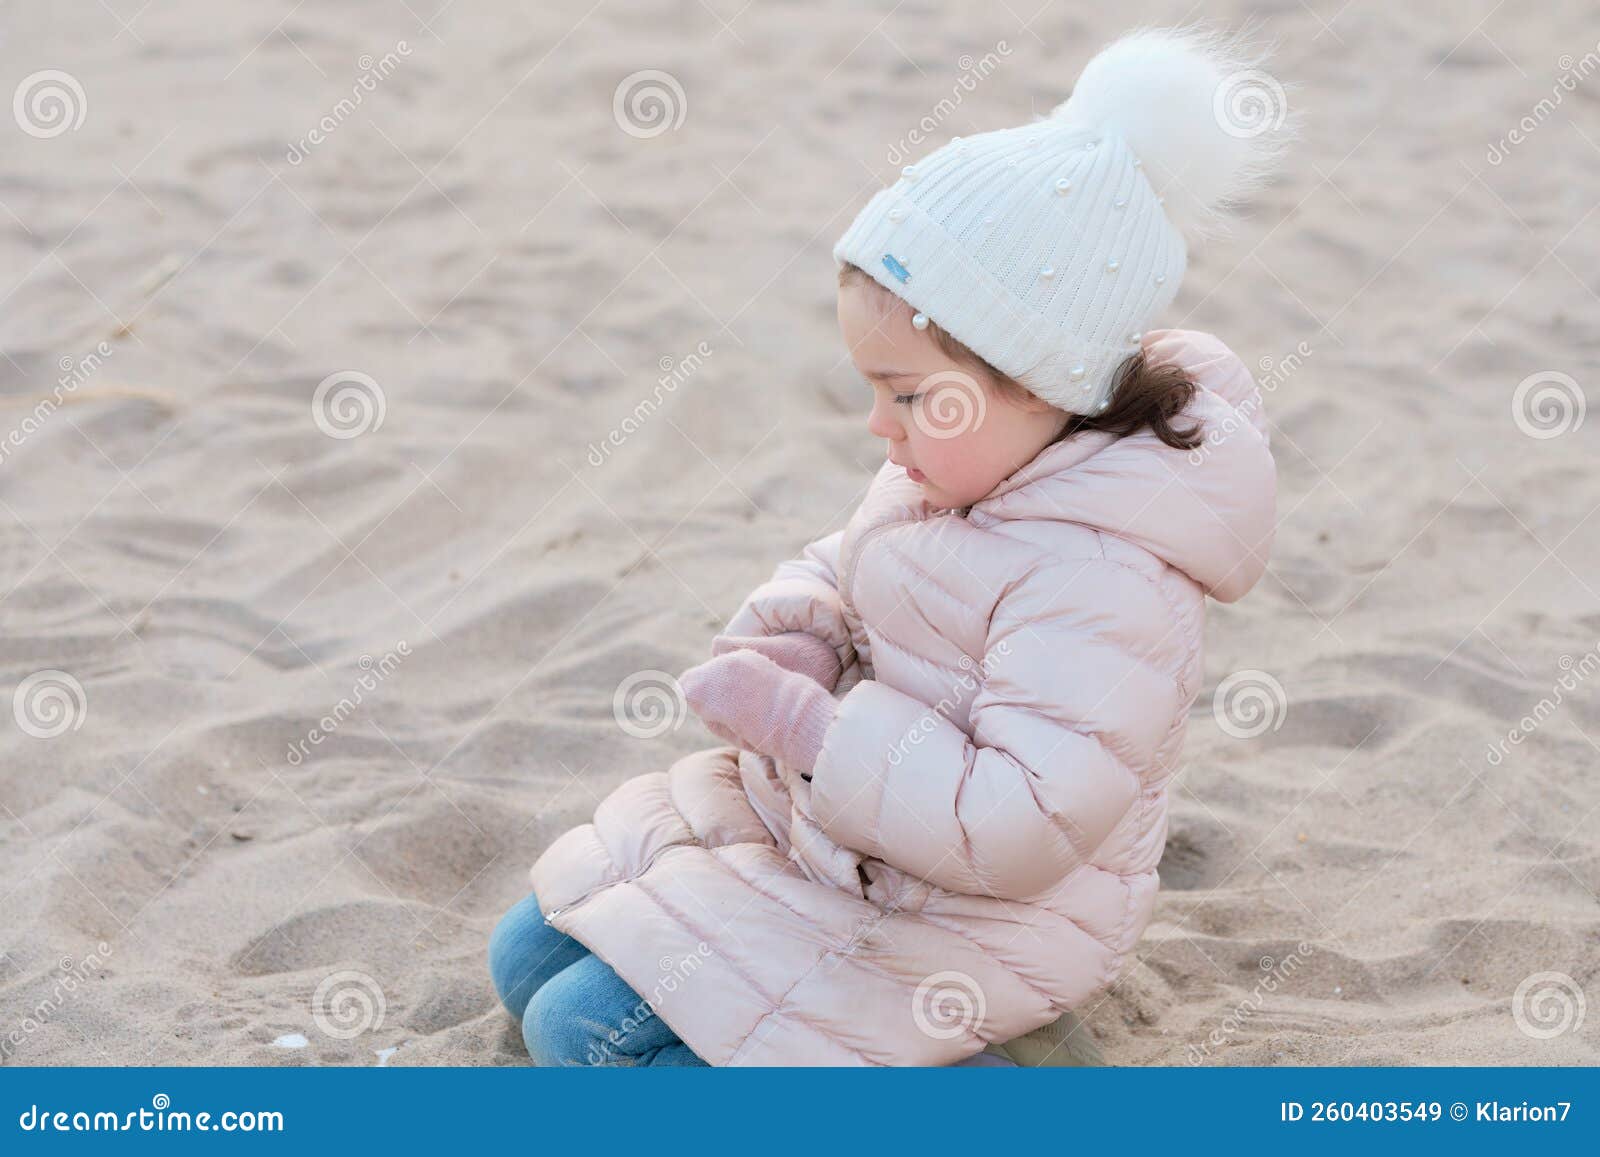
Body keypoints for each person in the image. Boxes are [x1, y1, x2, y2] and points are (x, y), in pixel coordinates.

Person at [490, 23, 1293, 1066]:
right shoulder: (963, 459)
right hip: (839, 847)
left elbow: (1019, 823)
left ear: (1040, 380)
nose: (880, 426)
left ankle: (1010, 1068)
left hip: (964, 917)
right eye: (874, 389)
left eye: (906, 395)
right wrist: (799, 638)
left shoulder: (1101, 578)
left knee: (583, 1031)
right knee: (529, 955)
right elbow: (853, 562)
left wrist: (820, 736)